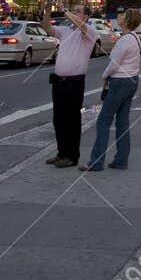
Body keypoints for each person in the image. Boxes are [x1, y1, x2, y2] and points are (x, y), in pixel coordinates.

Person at [84, 9, 141, 171]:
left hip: (119, 82)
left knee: (103, 121)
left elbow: (114, 64)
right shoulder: (135, 39)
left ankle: (96, 161)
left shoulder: (124, 41)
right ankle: (121, 160)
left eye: (122, 15)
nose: (119, 16)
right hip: (132, 80)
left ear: (127, 20)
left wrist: (104, 76)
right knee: (122, 121)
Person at [38, 9, 98, 168]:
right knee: (58, 119)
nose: (74, 13)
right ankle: (61, 152)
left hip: (75, 81)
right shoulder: (65, 31)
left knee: (72, 120)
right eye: (74, 11)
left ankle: (72, 156)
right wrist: (46, 12)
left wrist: (65, 10)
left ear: (85, 16)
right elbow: (47, 28)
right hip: (59, 81)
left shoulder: (88, 31)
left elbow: (80, 25)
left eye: (78, 11)